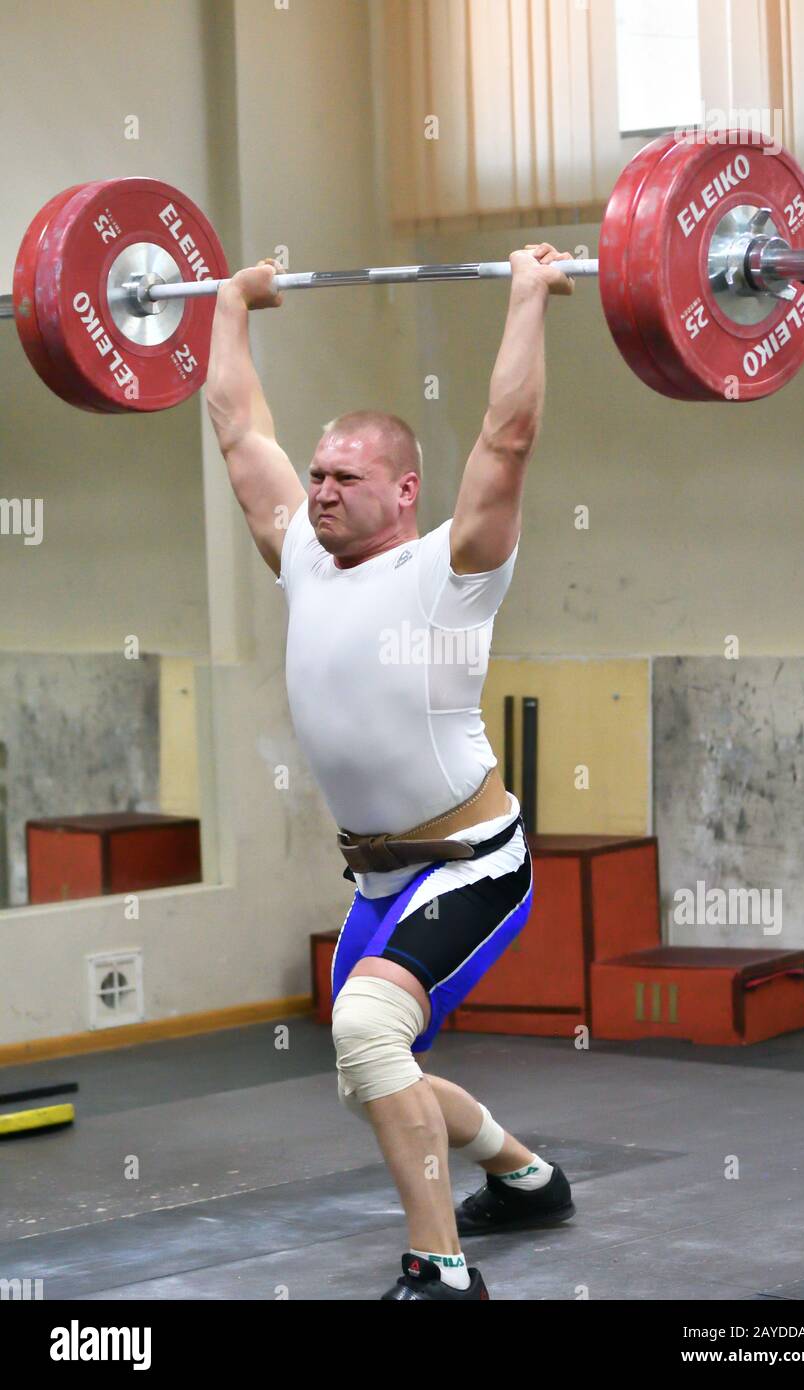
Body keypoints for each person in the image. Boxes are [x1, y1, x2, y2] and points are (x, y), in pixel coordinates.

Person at [206, 242, 577, 1300]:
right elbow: (238, 428)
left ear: (405, 490)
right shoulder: (303, 556)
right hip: (377, 878)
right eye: (317, 474)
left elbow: (507, 436)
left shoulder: (450, 570)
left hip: (472, 861)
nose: (319, 491)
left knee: (368, 1034)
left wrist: (526, 297)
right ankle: (524, 1176)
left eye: (344, 478)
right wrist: (230, 303)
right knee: (368, 1068)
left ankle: (440, 1270)